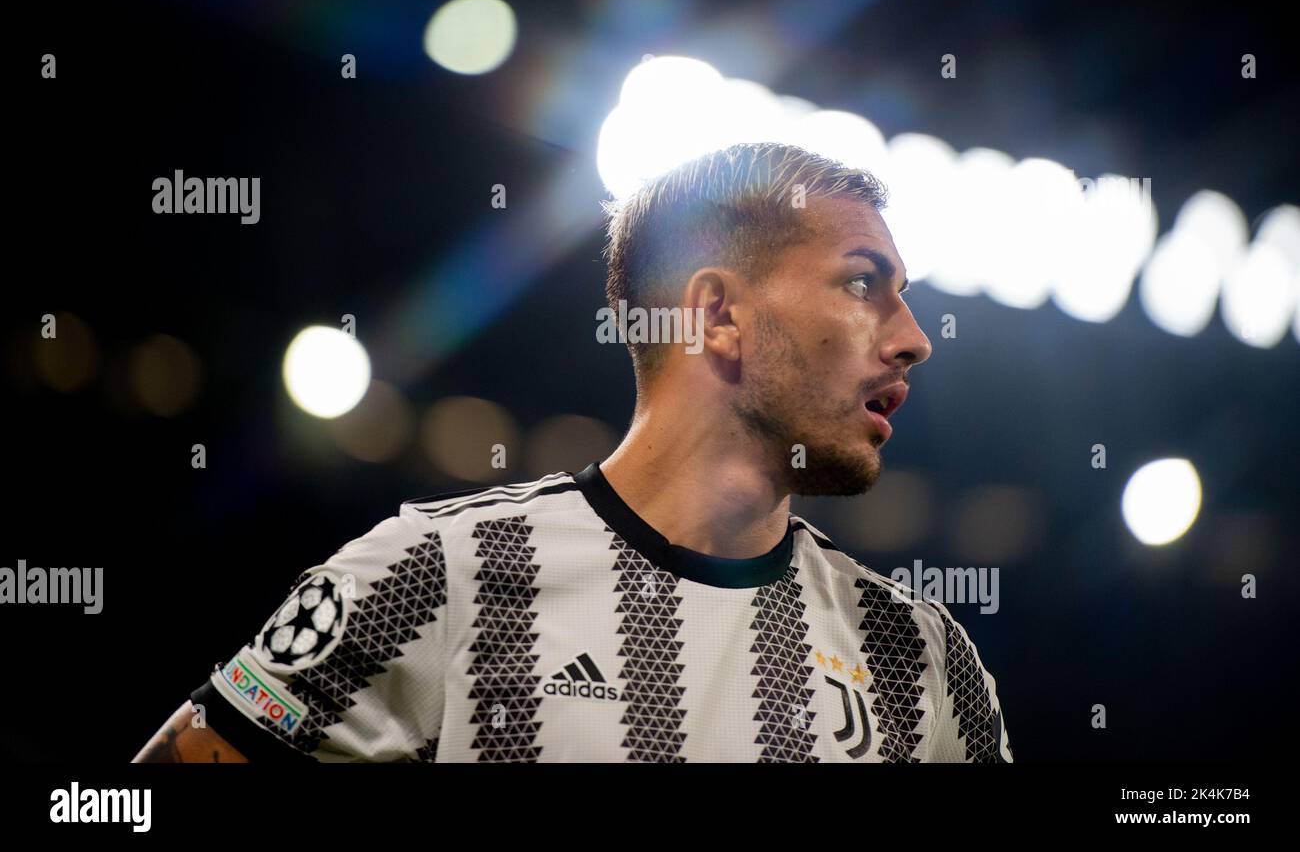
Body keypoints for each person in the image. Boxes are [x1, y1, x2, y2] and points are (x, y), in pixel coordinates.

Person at [133, 142, 1012, 763]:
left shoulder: (920, 658)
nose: (914, 339)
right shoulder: (434, 575)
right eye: (864, 284)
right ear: (717, 314)